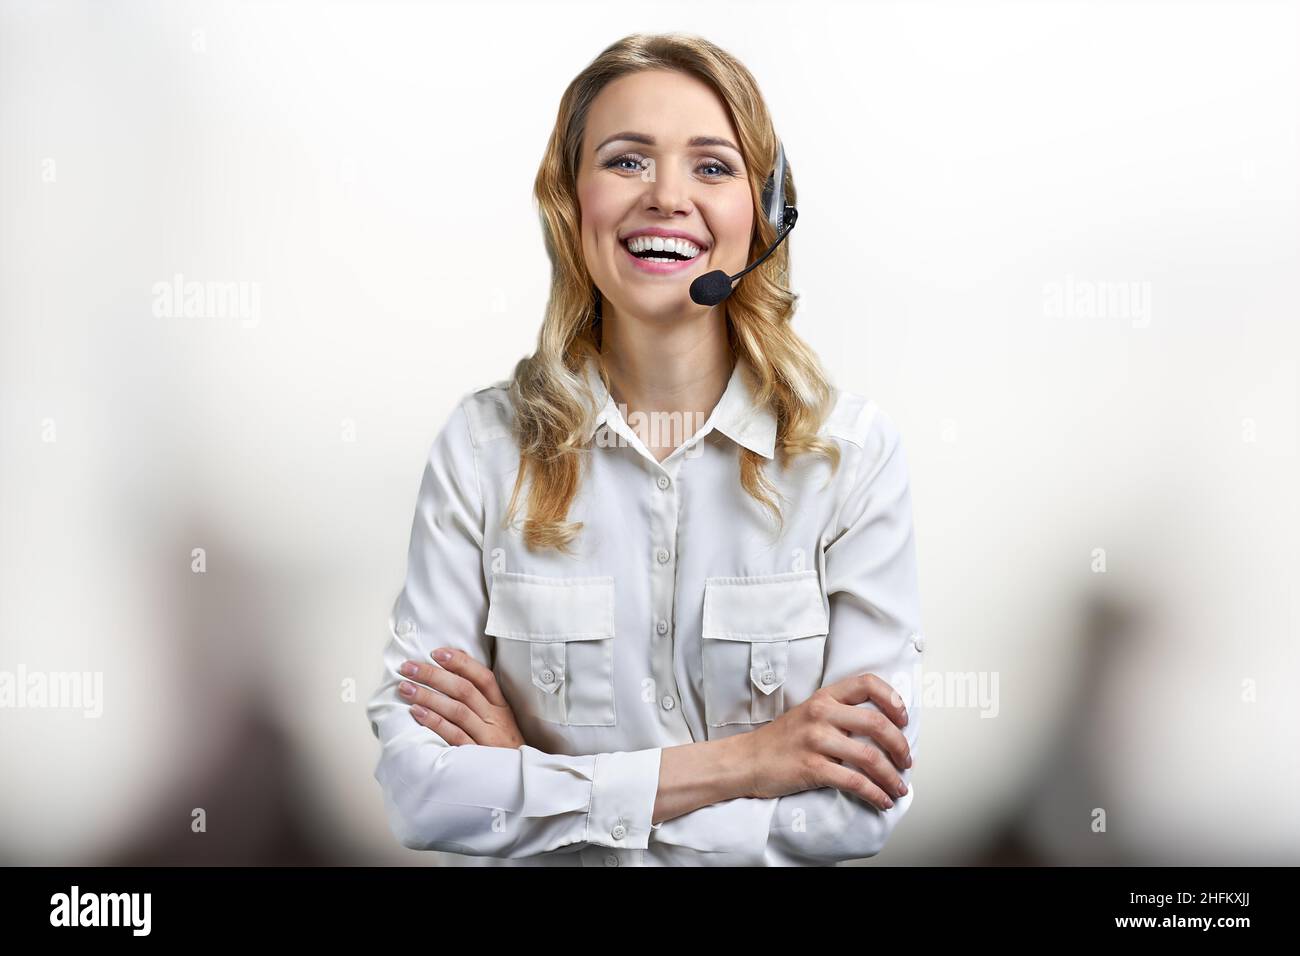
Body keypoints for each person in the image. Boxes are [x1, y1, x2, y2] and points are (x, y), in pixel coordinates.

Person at [365, 32, 924, 867]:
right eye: (627, 161)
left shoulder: (850, 458)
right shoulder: (482, 450)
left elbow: (853, 812)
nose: (666, 196)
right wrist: (749, 763)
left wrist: (532, 778)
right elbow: (425, 794)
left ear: (764, 215)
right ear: (570, 200)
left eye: (711, 166)